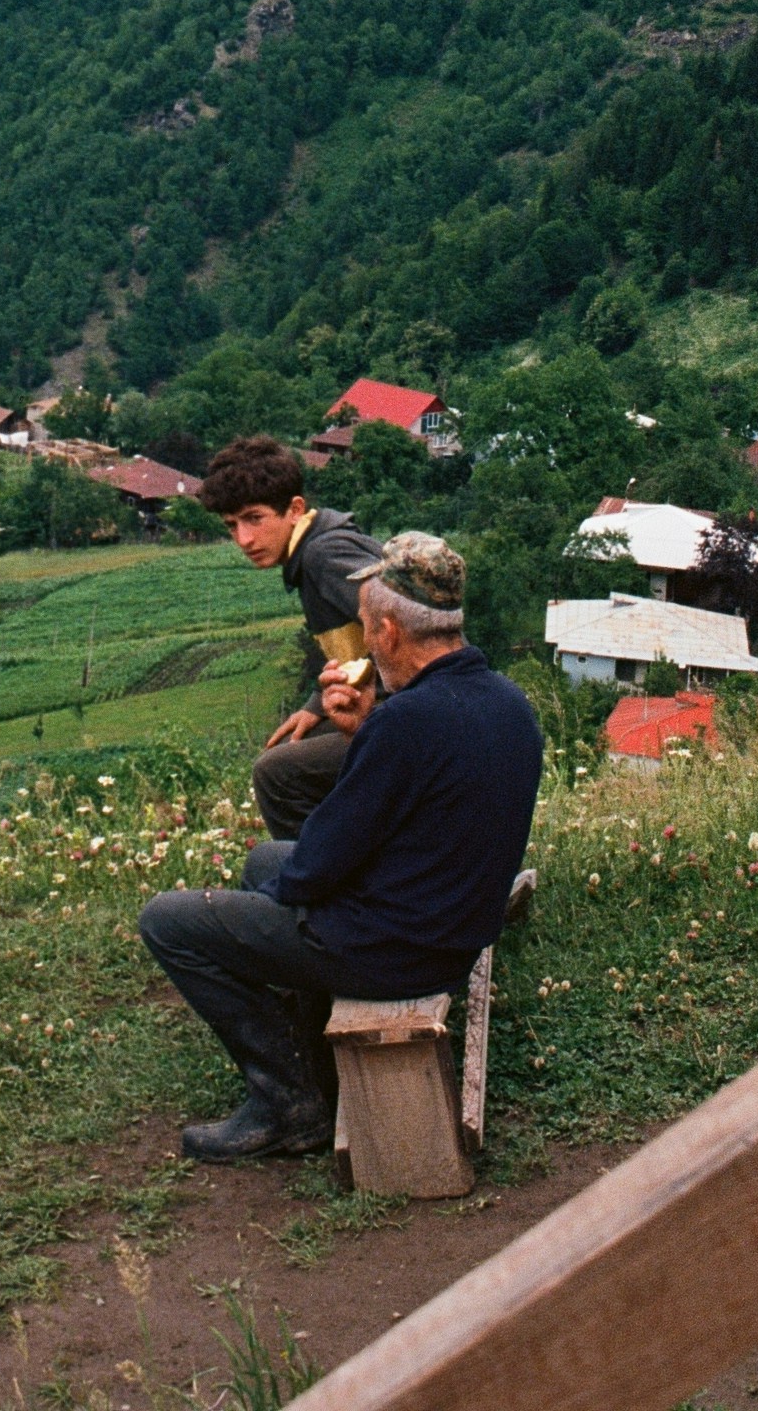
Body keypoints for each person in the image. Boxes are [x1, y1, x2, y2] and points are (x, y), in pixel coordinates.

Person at [138, 530, 543, 1163]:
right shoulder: (505, 701)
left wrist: (270, 904)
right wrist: (369, 732)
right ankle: (304, 1043)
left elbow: (315, 868)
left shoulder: (408, 721)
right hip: (449, 925)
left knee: (169, 919)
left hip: (396, 951)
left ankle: (291, 1105)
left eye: (362, 625)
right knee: (258, 862)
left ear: (387, 631)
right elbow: (416, 799)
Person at [197, 434, 383, 837]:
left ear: (295, 509)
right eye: (232, 525)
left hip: (411, 715)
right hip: (391, 707)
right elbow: (343, 644)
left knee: (275, 773)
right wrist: (317, 704)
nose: (243, 540)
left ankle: (320, 888)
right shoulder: (310, 555)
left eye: (254, 518)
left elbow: (401, 624)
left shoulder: (323, 555)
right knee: (290, 746)